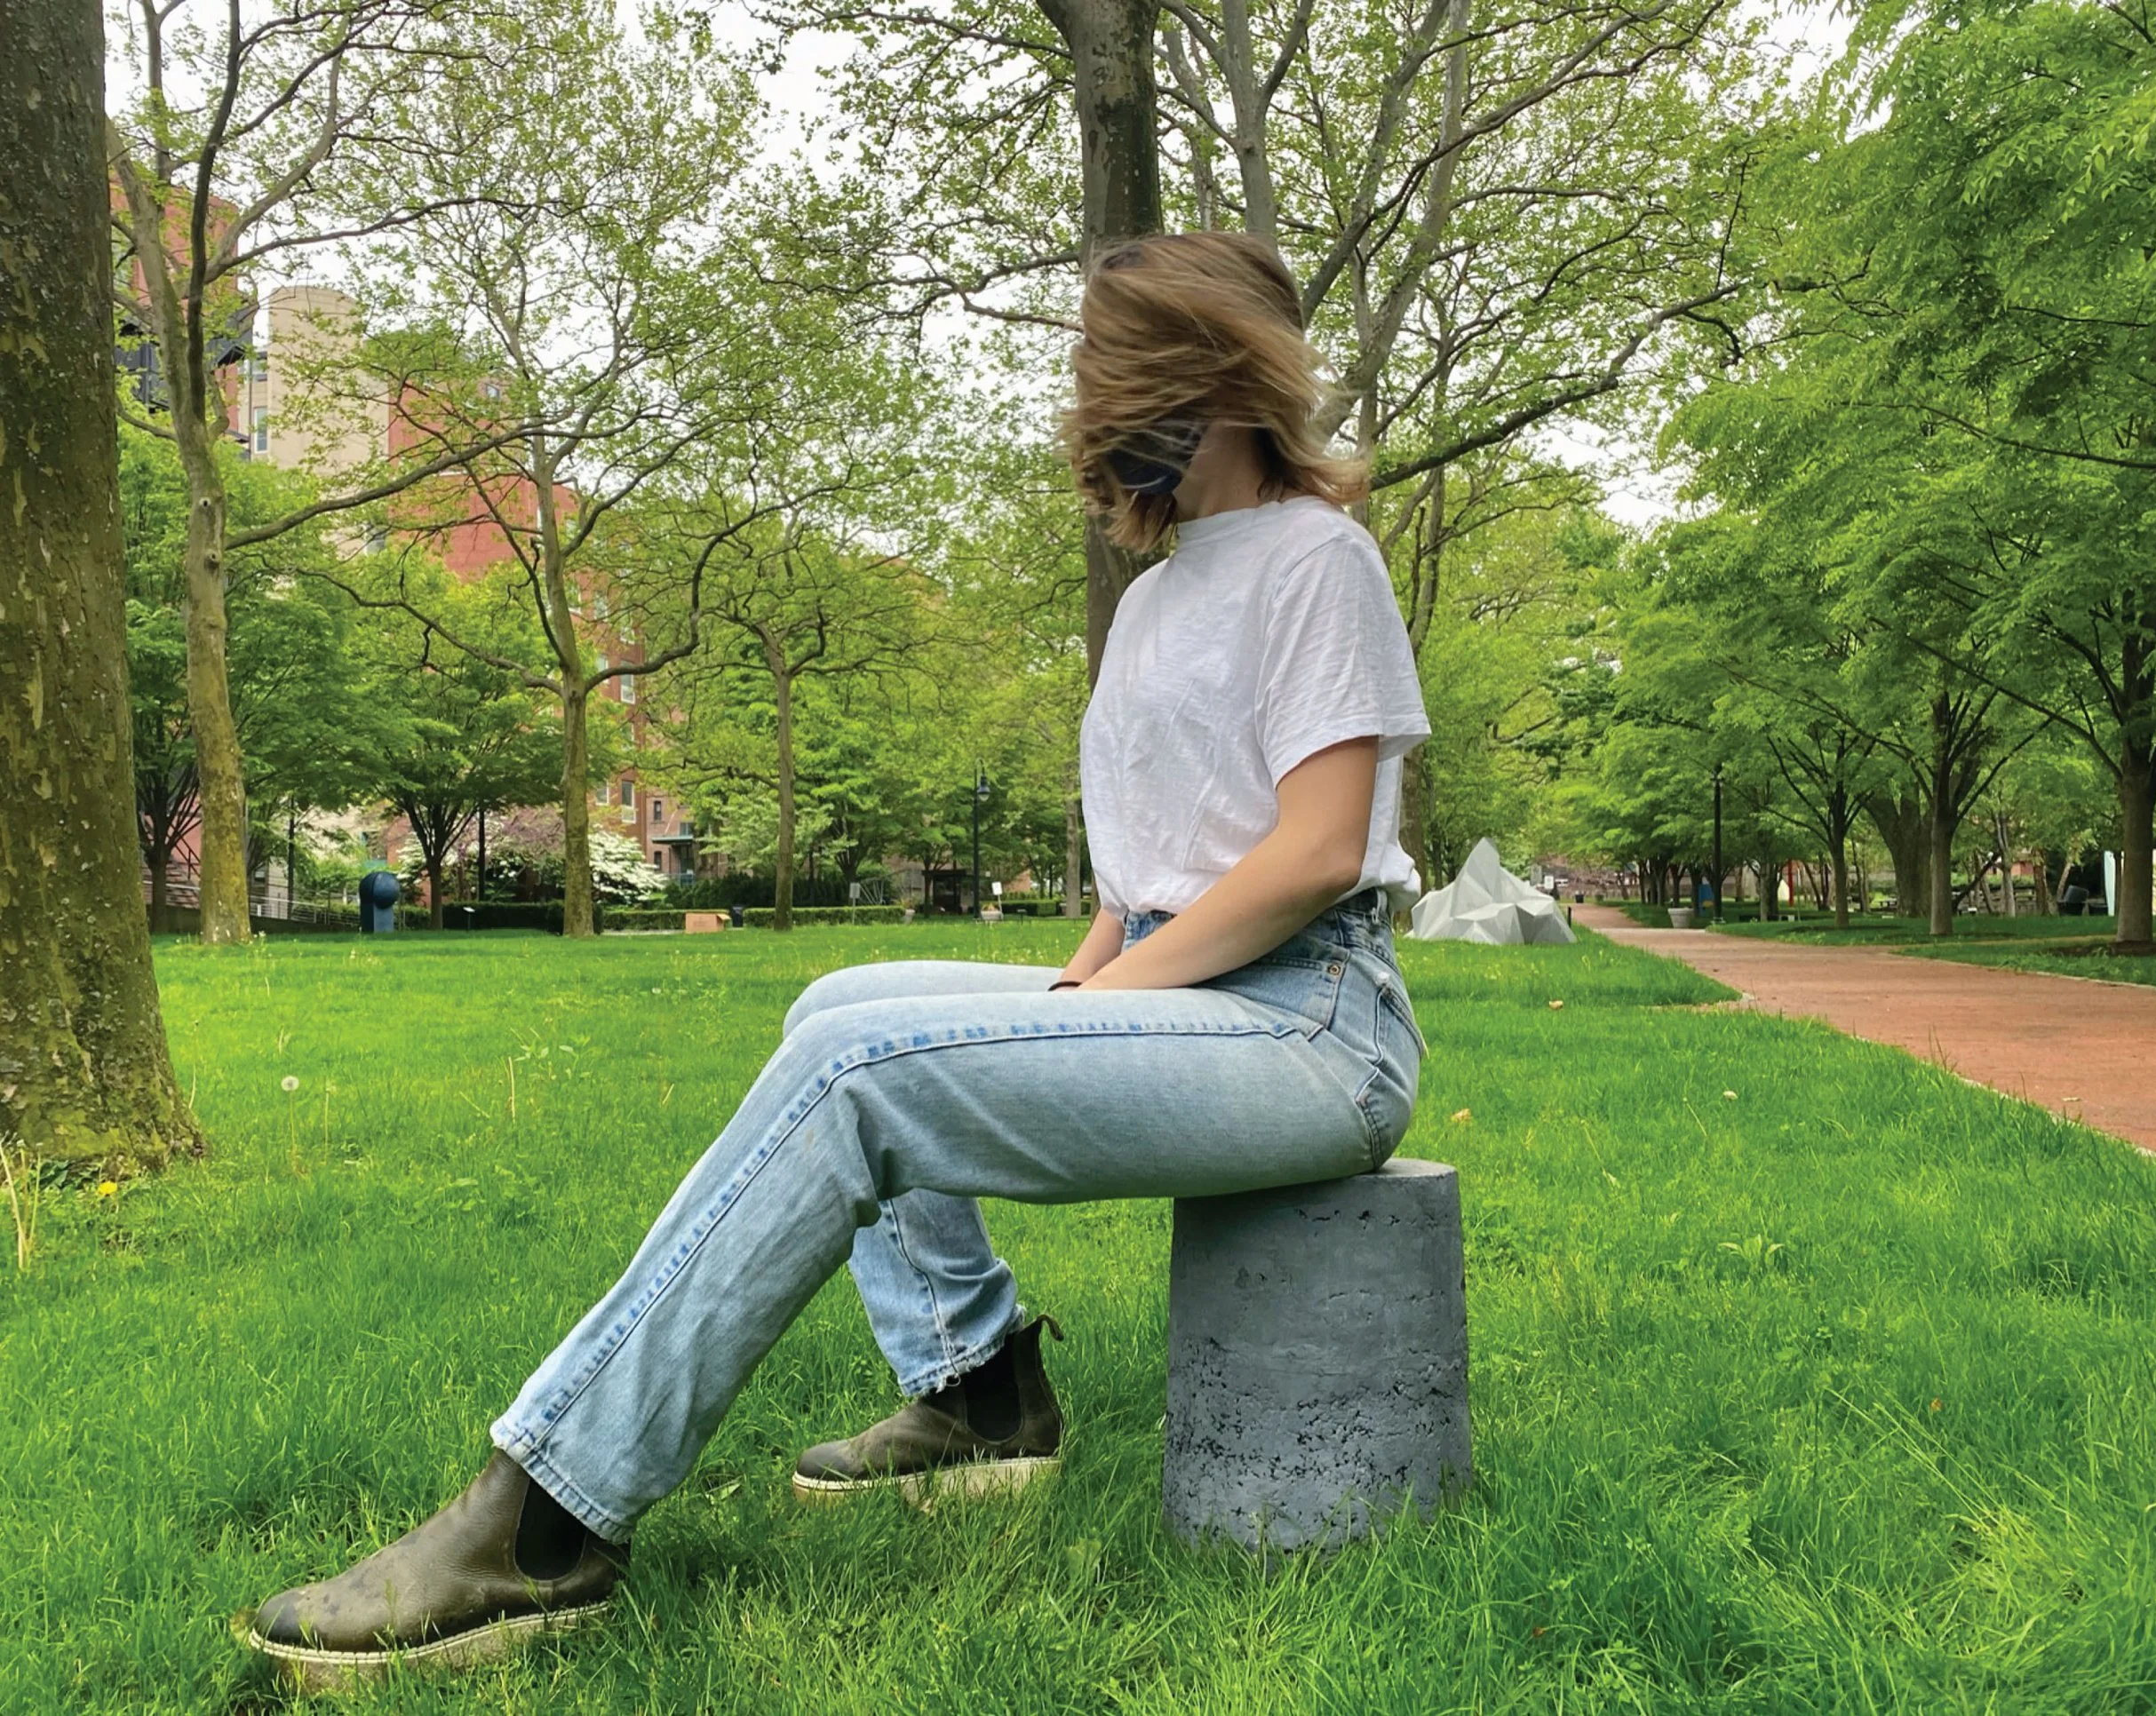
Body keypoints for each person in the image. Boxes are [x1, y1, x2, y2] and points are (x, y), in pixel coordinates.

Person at [245, 230, 1432, 1686]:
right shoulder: (1155, 598)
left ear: (1216, 367)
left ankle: (543, 1517)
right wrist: (1078, 988)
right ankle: (976, 1386)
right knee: (844, 1005)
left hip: (1318, 1028)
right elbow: (1147, 876)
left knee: (862, 1073)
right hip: (1194, 993)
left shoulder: (1319, 558)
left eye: (1114, 361)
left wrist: (1106, 1002)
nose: (1090, 394)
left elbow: (1313, 850)